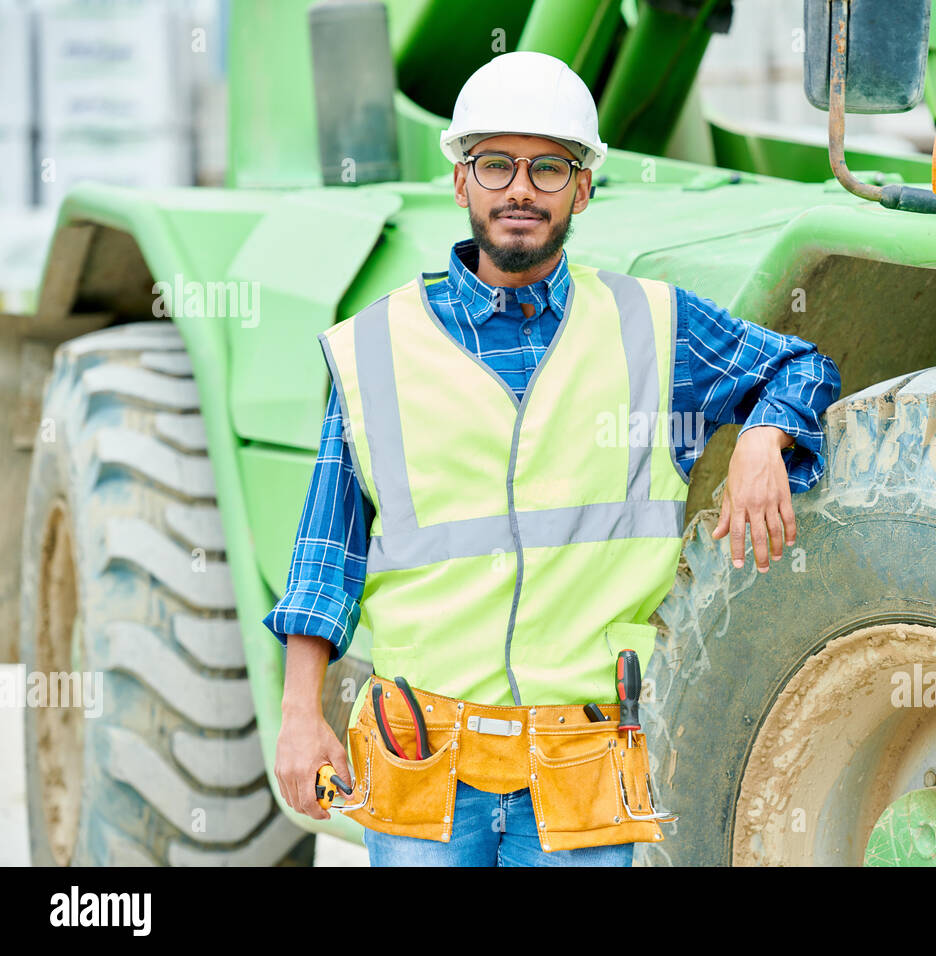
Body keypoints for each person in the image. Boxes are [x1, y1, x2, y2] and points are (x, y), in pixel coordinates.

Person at [266, 51, 841, 867]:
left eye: (549, 167)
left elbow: (801, 365)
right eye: (495, 164)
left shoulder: (653, 326)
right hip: (423, 751)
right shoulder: (376, 348)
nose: (521, 189)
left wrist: (761, 436)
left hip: (581, 761)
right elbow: (326, 555)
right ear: (461, 182)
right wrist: (300, 714)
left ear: (584, 188)